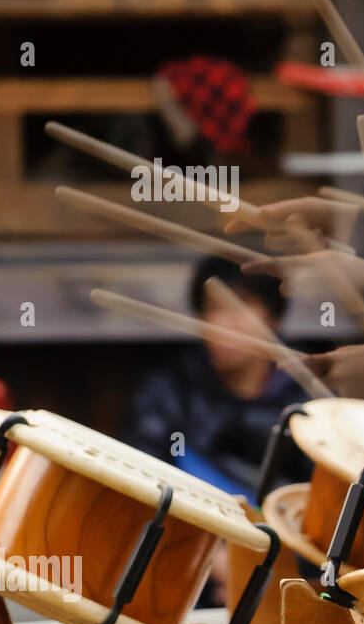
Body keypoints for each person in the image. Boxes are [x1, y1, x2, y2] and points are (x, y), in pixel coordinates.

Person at [125, 257, 312, 604]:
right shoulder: (170, 393)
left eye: (240, 309)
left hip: (283, 578)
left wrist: (268, 566)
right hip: (187, 572)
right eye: (212, 310)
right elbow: (141, 492)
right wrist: (210, 558)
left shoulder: (306, 404)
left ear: (272, 317)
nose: (224, 325)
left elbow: (321, 515)